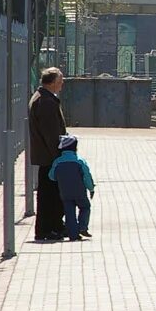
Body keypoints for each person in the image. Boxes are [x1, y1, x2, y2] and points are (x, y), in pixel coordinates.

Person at [28, 67, 67, 242]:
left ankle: (54, 226)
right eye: (60, 81)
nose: (62, 84)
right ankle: (48, 228)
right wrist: (60, 155)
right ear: (52, 82)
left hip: (46, 156)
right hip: (50, 157)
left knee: (49, 193)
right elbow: (51, 134)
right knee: (50, 195)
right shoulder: (46, 102)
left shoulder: (42, 98)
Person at [48, 135, 95, 241]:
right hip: (80, 192)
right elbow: (87, 177)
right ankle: (82, 227)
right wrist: (91, 189)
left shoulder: (57, 162)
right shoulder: (80, 161)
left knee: (69, 212)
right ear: (75, 148)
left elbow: (51, 176)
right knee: (85, 207)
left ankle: (73, 235)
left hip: (64, 192)